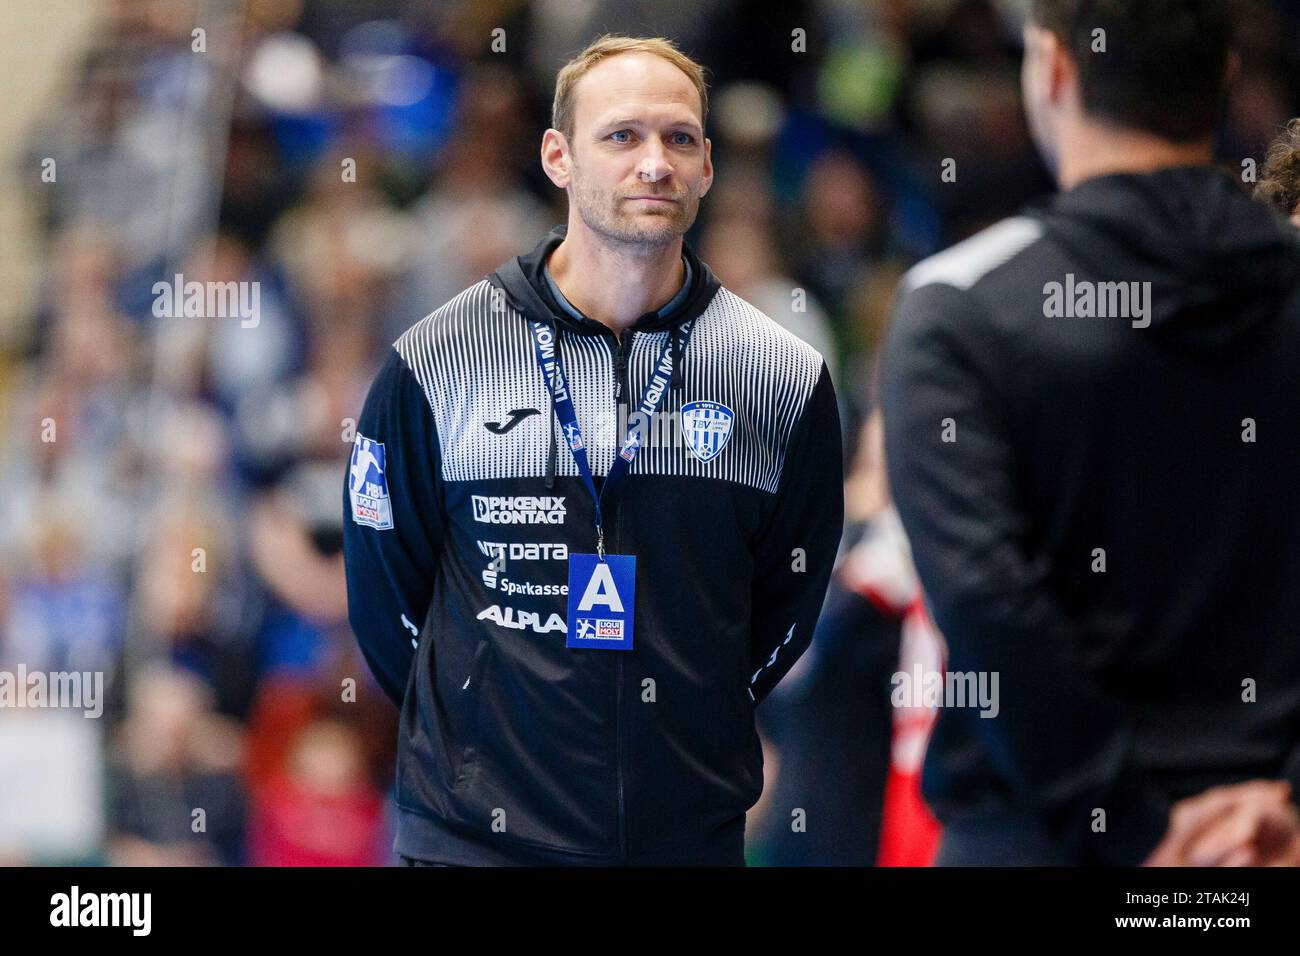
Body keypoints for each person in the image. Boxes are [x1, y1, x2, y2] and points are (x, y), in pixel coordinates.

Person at [342, 35, 843, 866]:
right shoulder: (437, 360)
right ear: (558, 156)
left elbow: (787, 606)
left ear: (709, 166)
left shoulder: (778, 375)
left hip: (682, 837)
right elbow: (385, 602)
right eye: (622, 136)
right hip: (475, 840)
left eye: (679, 138)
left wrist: (689, 713)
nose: (655, 162)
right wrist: (476, 730)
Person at [882, 0, 1300, 866]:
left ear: (1054, 69)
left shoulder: (960, 309)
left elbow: (988, 599)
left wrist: (1134, 830)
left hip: (1039, 840)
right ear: (1224, 74)